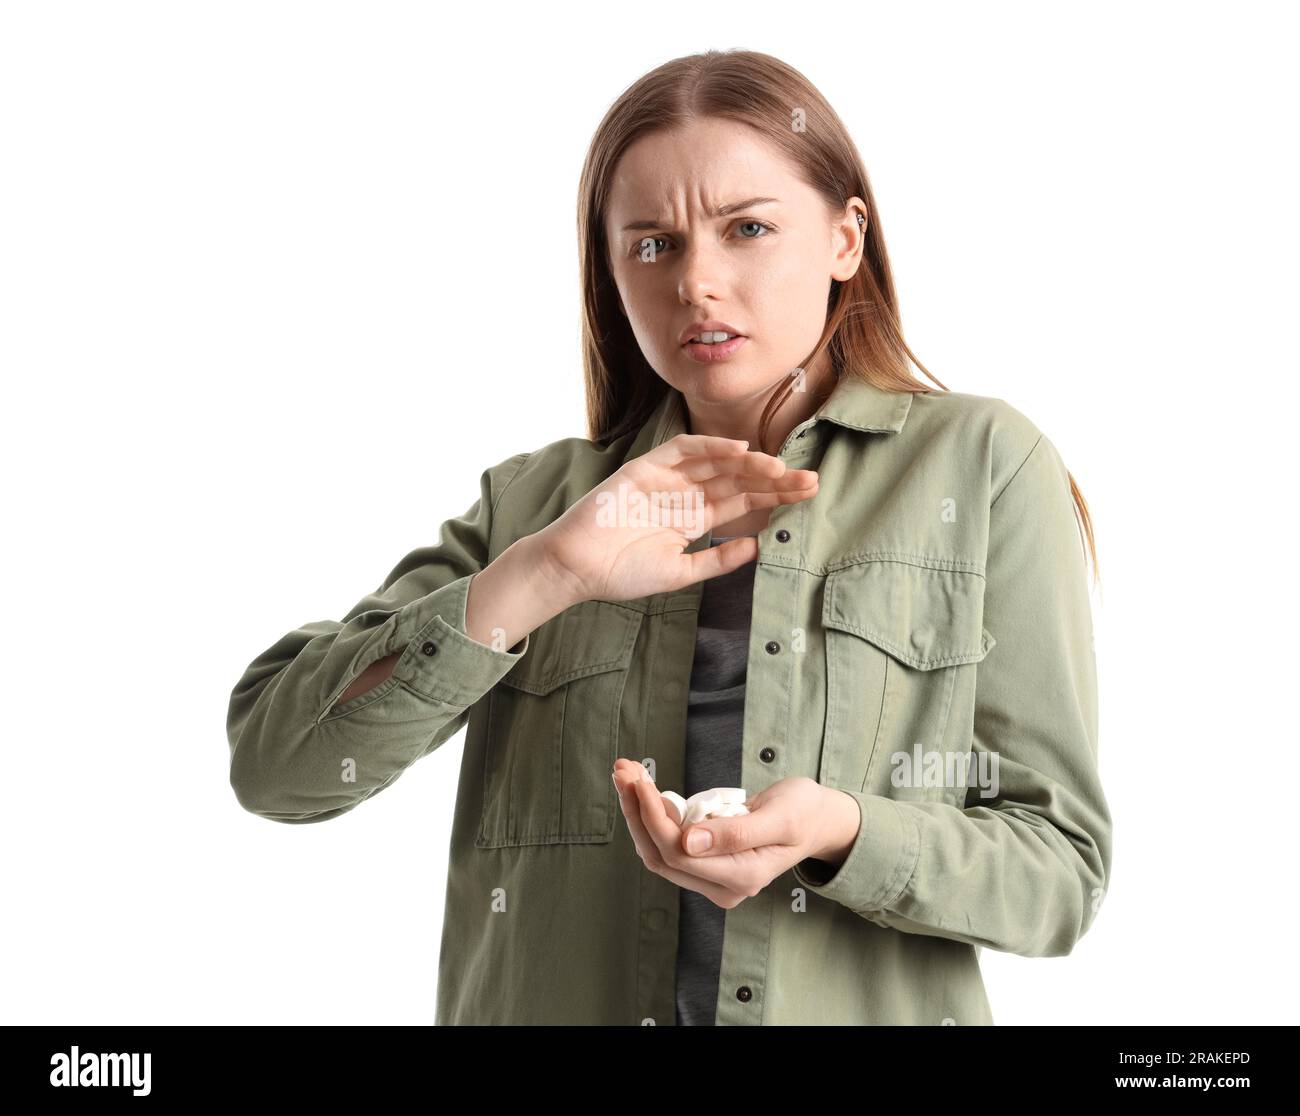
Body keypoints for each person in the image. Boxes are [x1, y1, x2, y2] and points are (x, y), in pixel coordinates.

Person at [225, 48, 1112, 1026]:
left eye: (748, 230)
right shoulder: (535, 505)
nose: (697, 282)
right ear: (610, 273)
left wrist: (842, 833)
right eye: (652, 245)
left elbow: (1057, 873)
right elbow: (279, 769)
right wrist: (546, 573)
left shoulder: (981, 466)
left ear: (845, 238)